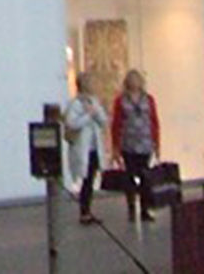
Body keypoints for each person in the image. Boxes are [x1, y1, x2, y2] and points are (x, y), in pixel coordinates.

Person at [110, 68, 161, 226]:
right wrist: (115, 146)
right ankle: (132, 207)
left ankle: (145, 208)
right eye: (131, 80)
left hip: (145, 142)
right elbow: (116, 123)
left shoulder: (148, 99)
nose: (134, 83)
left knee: (145, 176)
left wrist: (157, 143)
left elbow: (154, 121)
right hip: (128, 143)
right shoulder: (121, 100)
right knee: (130, 176)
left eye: (136, 79)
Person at [62, 72, 110, 224]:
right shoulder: (75, 104)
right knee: (86, 178)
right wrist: (87, 116)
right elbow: (71, 123)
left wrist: (96, 113)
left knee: (91, 178)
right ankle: (84, 211)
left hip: (94, 147)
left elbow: (103, 121)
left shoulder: (94, 101)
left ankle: (87, 209)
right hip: (82, 147)